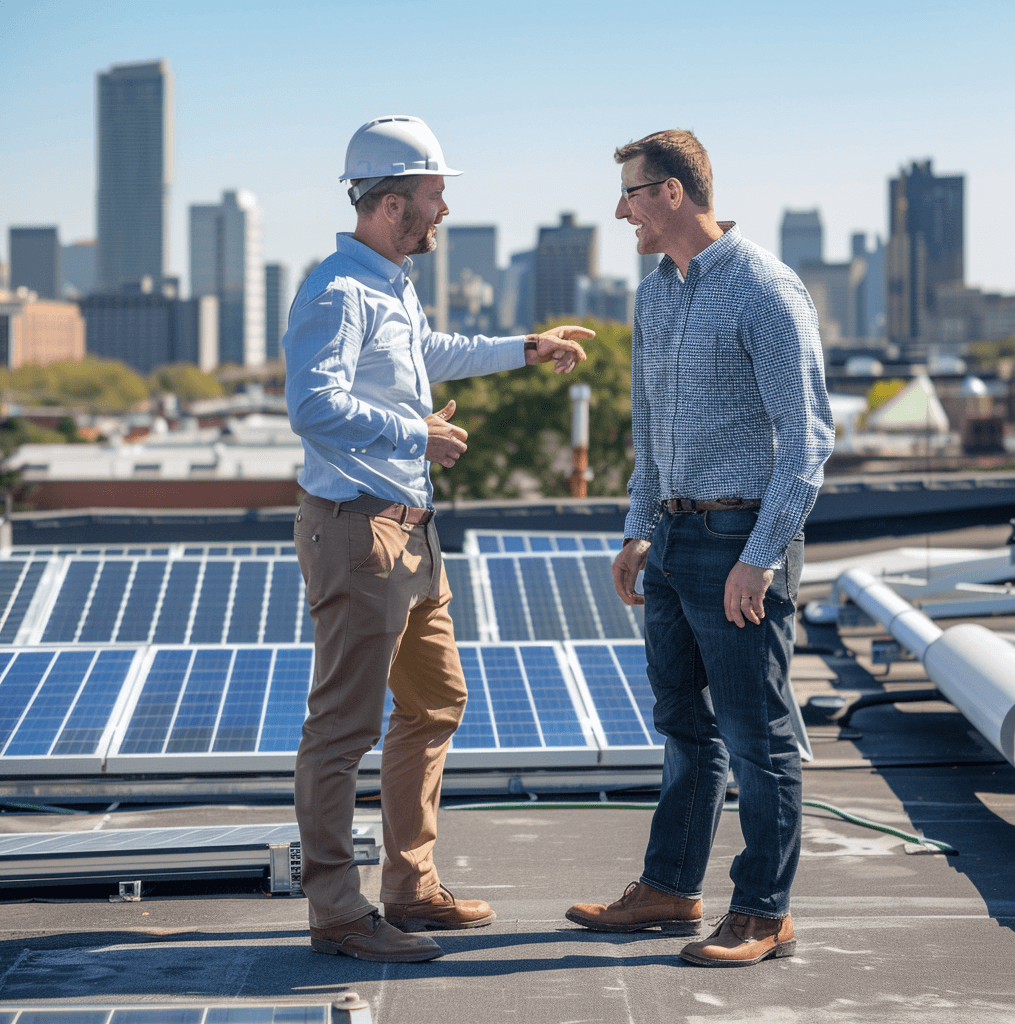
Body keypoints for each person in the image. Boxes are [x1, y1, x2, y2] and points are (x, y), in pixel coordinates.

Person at [284, 115, 593, 963]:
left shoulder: (390, 282)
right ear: (391, 204)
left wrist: (525, 350)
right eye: (433, 194)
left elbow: (426, 353)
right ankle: (340, 916)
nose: (444, 208)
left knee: (436, 703)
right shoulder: (337, 290)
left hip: (413, 535)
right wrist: (411, 437)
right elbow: (310, 406)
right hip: (360, 531)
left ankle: (409, 888)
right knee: (342, 731)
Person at [565, 130, 833, 967]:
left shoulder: (766, 290)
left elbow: (809, 439)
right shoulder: (656, 292)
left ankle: (763, 913)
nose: (622, 212)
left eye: (633, 195)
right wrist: (637, 529)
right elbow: (648, 429)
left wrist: (760, 554)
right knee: (684, 724)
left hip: (740, 541)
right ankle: (672, 890)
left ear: (675, 194)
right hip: (676, 538)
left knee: (759, 738)